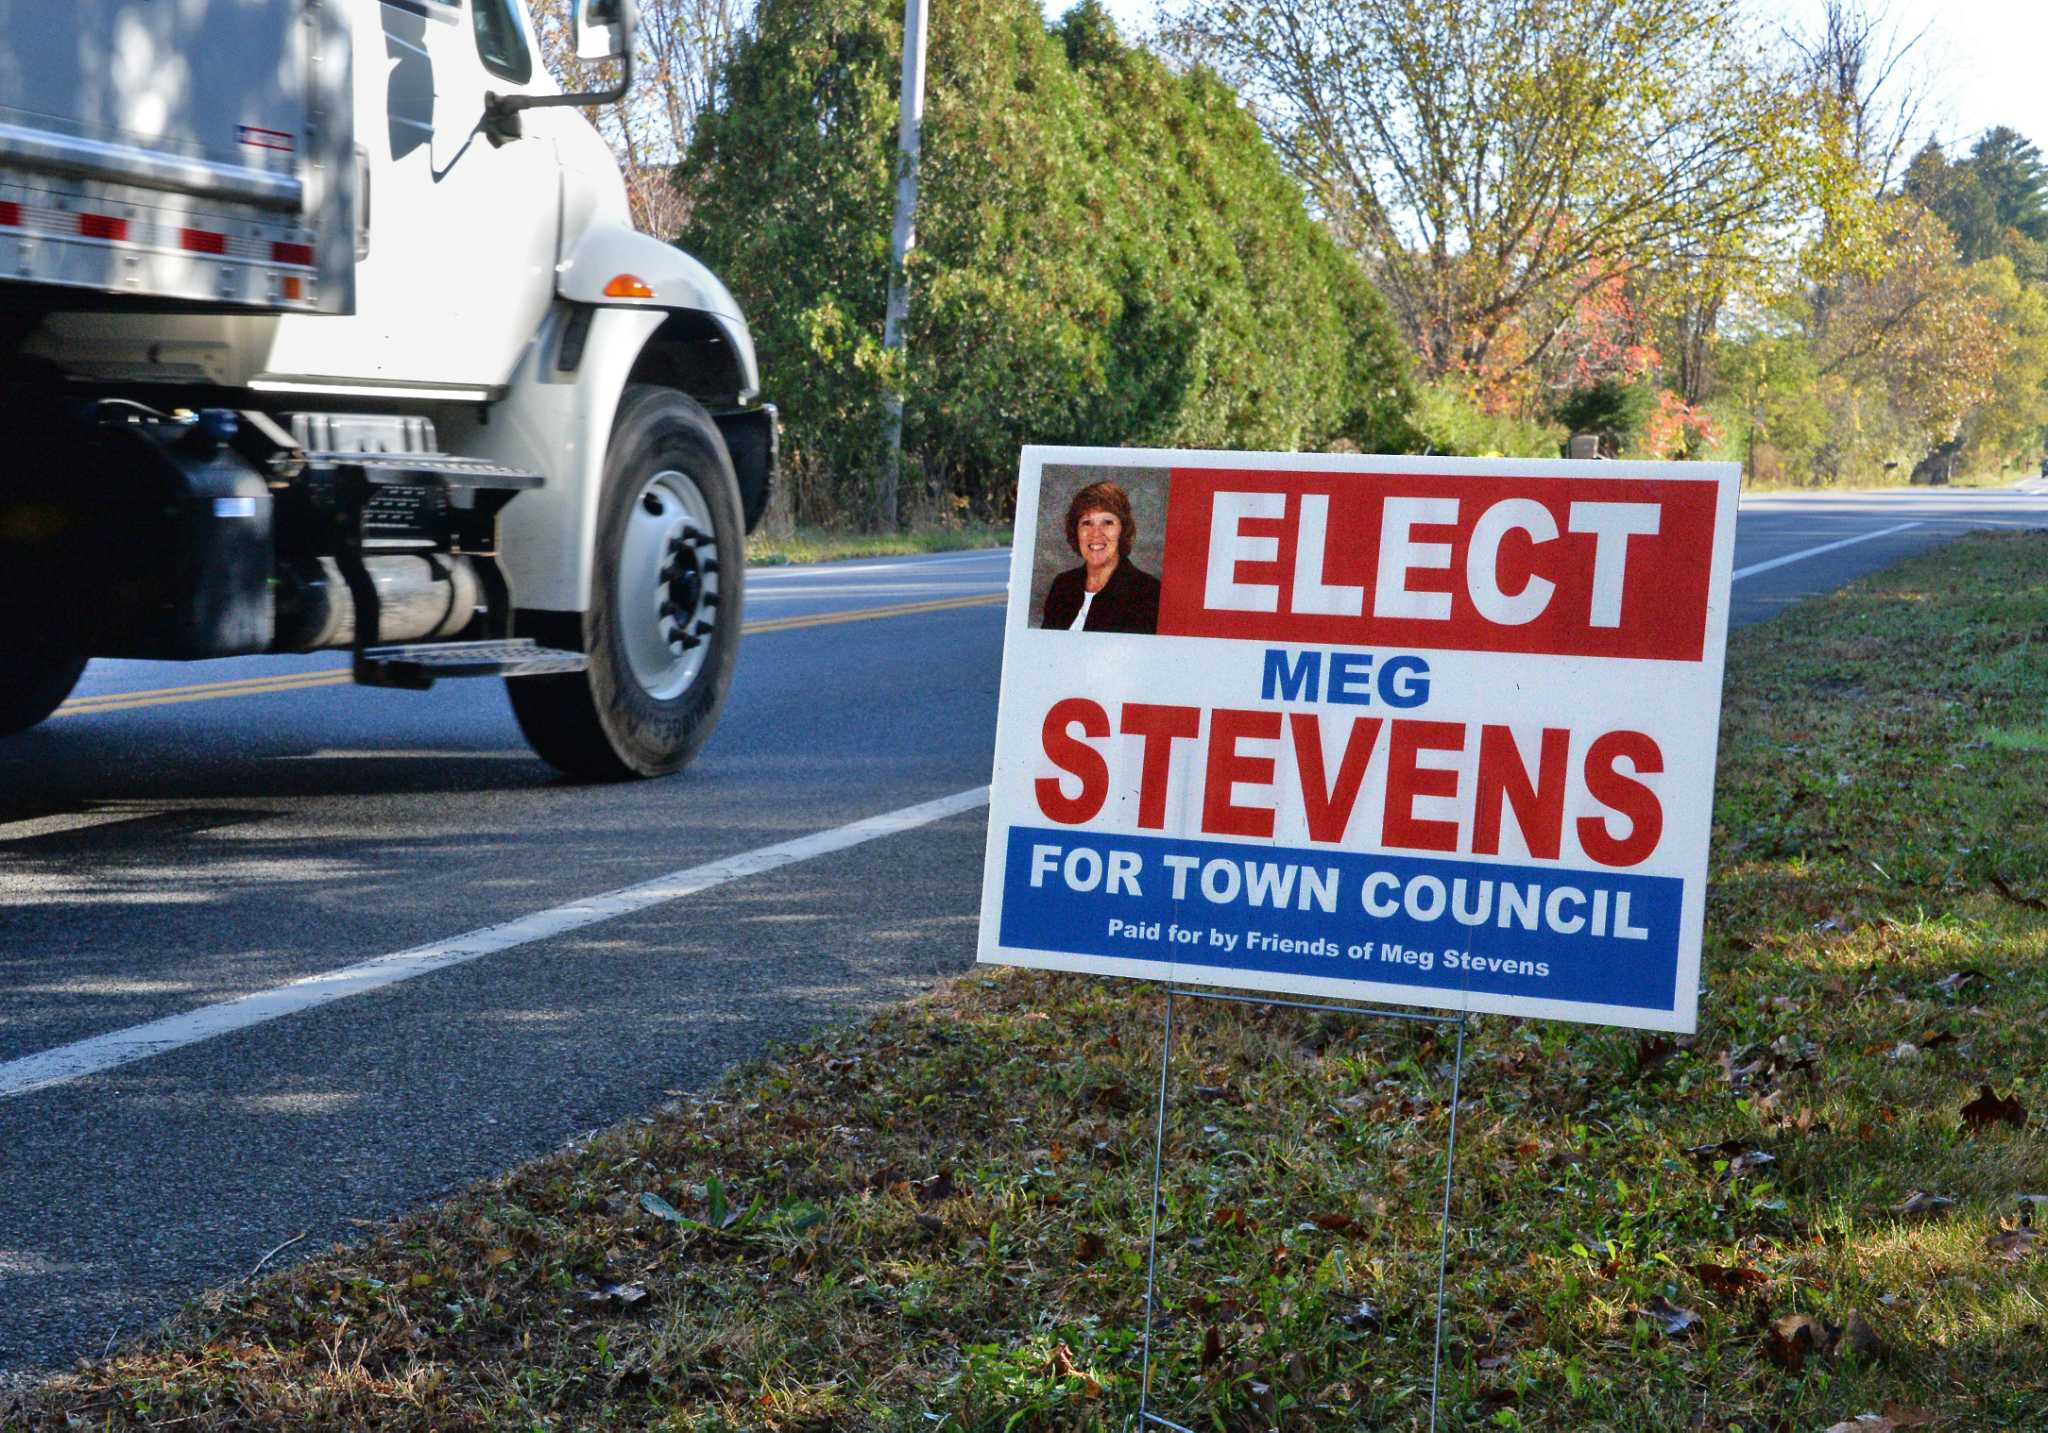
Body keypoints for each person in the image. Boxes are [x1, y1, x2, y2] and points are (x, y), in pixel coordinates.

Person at [1040, 480, 1160, 633]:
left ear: (1123, 530)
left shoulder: (1148, 592)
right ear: (1076, 531)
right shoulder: (1063, 585)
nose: (1095, 533)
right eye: (1087, 523)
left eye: (1107, 522)